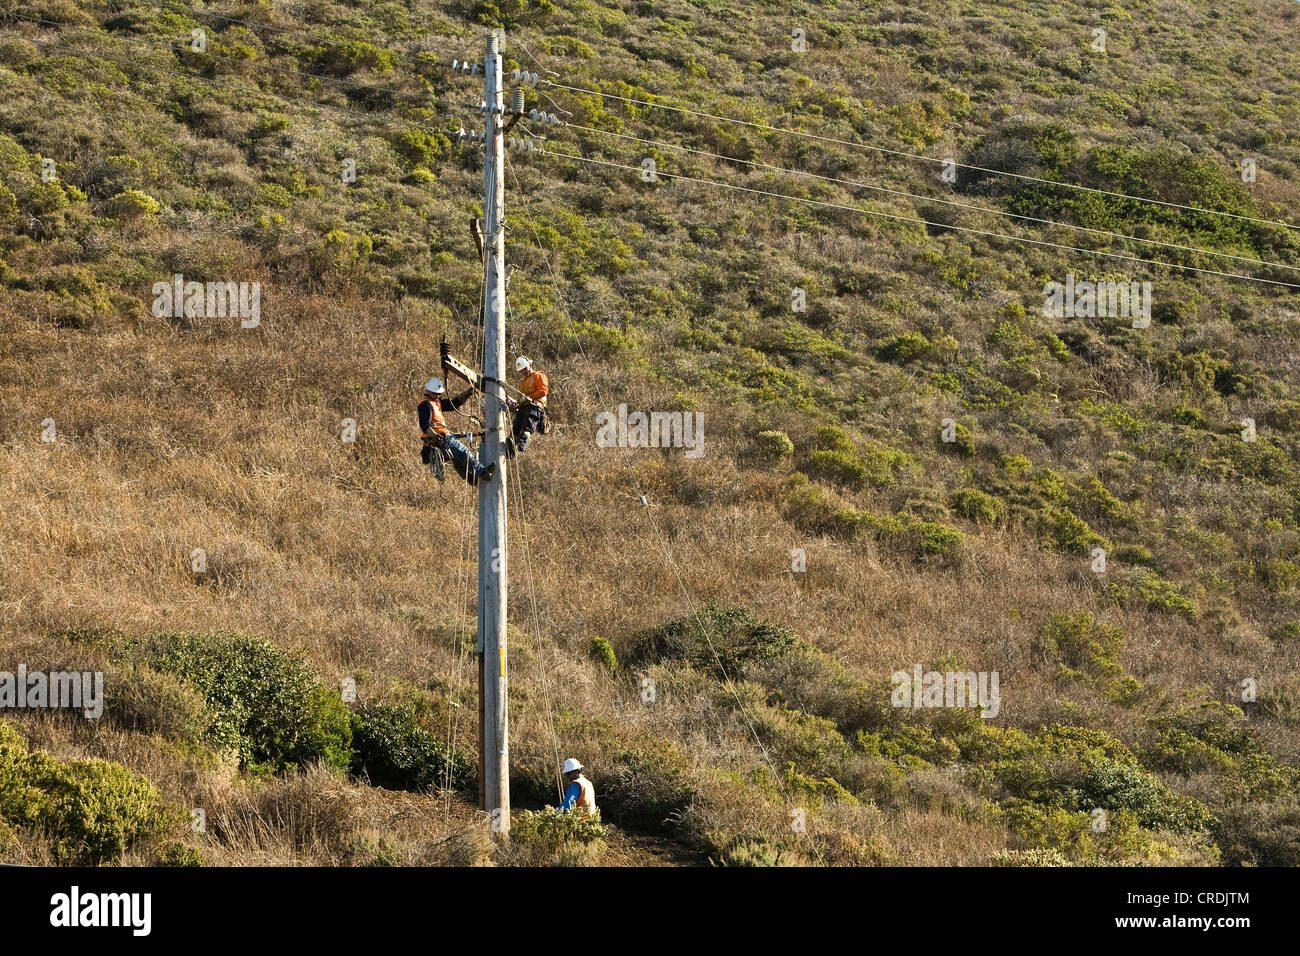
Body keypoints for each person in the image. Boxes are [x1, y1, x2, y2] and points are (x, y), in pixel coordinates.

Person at [418, 377, 494, 486]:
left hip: (441, 438)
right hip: (441, 438)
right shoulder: (425, 404)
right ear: (429, 391)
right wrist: (435, 435)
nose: (437, 396)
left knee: (458, 459)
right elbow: (424, 425)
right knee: (464, 452)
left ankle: (470, 475)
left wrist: (468, 393)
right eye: (435, 394)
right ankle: (483, 472)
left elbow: (453, 404)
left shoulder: (436, 402)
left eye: (439, 394)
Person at [508, 356, 548, 456]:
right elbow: (522, 397)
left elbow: (544, 391)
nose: (524, 372)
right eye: (521, 371)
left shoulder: (538, 375)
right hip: (524, 407)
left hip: (534, 406)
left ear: (530, 365)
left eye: (525, 369)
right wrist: (518, 403)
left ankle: (519, 446)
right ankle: (509, 447)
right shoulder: (523, 382)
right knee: (516, 428)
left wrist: (529, 397)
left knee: (527, 426)